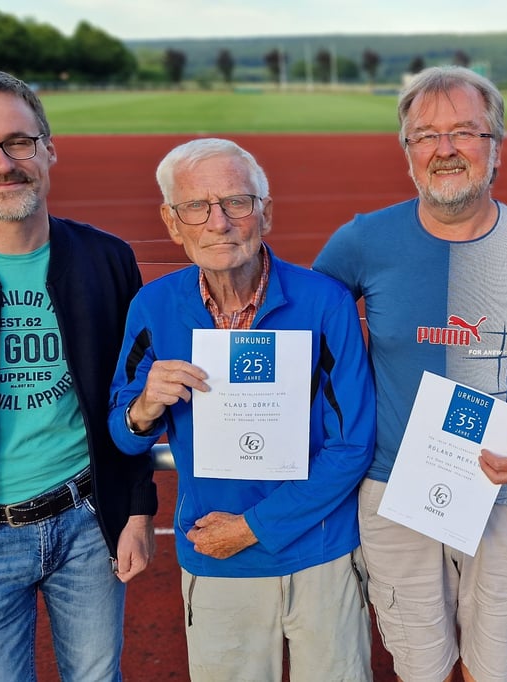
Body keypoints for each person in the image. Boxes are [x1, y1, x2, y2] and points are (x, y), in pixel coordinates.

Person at [313, 65, 507, 682]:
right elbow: (311, 327)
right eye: (426, 135)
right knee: (418, 662)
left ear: (496, 147)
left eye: (464, 131)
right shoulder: (361, 241)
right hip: (394, 485)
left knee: (496, 664)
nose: (445, 149)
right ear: (406, 152)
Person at [107, 137, 376, 681]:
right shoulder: (153, 307)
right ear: (172, 221)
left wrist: (253, 528)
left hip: (320, 552)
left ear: (265, 213)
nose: (219, 222)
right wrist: (144, 408)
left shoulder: (325, 302)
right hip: (215, 552)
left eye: (237, 202)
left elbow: (352, 445)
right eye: (196, 207)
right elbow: (123, 432)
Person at [0, 69, 157, 680]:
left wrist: (136, 506)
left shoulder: (107, 259)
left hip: (89, 525)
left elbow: (131, 389)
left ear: (49, 147)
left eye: (18, 141)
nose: (1, 163)